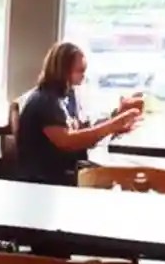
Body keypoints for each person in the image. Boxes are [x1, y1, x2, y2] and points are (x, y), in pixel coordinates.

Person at [16, 42, 140, 185]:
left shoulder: (68, 94)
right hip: (45, 179)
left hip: (67, 171)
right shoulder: (45, 101)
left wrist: (116, 117)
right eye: (80, 70)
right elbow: (68, 142)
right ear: (63, 70)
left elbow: (83, 130)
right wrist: (112, 125)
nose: (83, 75)